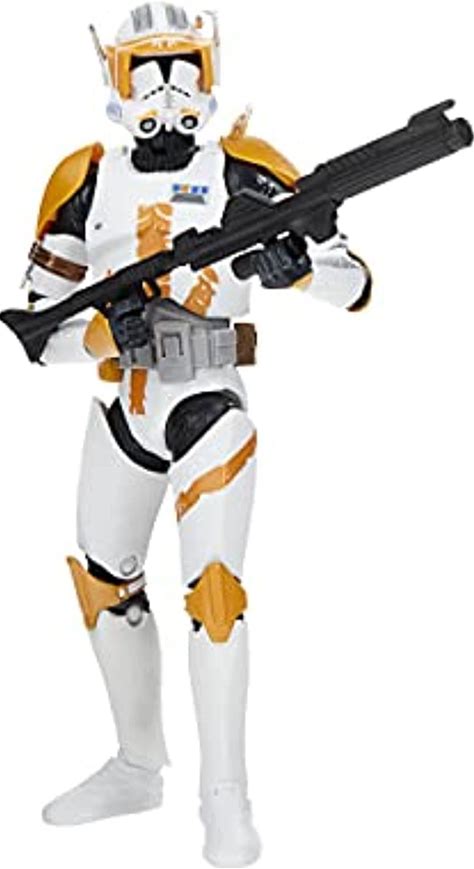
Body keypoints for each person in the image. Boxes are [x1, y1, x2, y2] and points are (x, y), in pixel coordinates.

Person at [21, 4, 370, 865]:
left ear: (209, 73)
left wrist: (296, 269)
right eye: (146, 73)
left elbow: (356, 284)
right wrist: (104, 333)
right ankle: (137, 766)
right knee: (104, 579)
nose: (167, 92)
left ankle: (227, 800)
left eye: (183, 71)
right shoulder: (82, 178)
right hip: (123, 403)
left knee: (215, 591)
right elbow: (37, 327)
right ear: (114, 77)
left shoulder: (249, 168)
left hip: (209, 399)